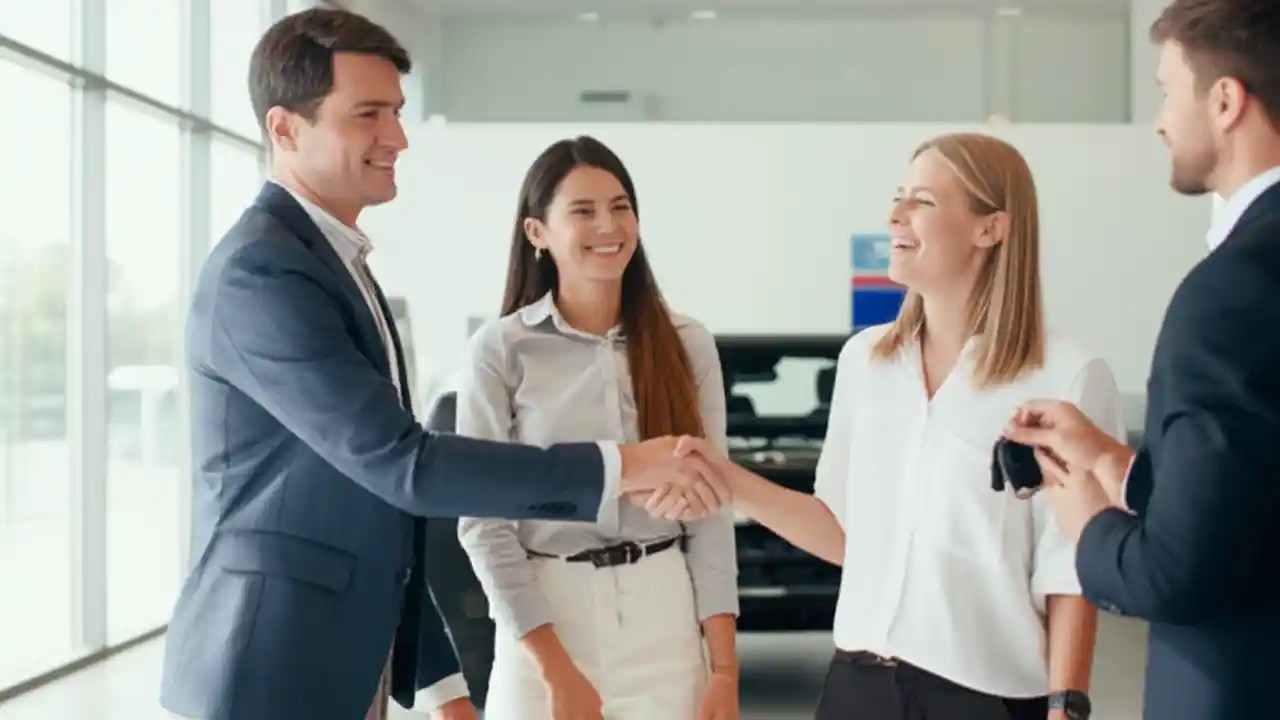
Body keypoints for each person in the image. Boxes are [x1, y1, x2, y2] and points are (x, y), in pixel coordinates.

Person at [159, 10, 726, 720]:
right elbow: (408, 467)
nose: (396, 137)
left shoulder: (338, 264)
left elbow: (373, 503)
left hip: (335, 664)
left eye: (396, 113)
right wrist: (626, 466)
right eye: (368, 114)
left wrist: (440, 686)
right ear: (285, 128)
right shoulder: (263, 273)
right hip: (267, 671)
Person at [679, 133, 1119, 720]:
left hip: (985, 697)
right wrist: (726, 480)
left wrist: (1068, 706)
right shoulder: (866, 362)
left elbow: (1070, 567)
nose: (895, 214)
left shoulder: (1066, 373)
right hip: (857, 687)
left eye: (923, 201)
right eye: (897, 197)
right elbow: (843, 534)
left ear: (990, 228)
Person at [1003, 1, 1280, 718]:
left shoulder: (1233, 290)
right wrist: (1118, 464)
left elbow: (1178, 576)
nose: (1158, 121)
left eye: (1166, 90)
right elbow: (1254, 498)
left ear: (1224, 100)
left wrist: (1082, 511)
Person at [455, 136, 740, 720]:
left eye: (620, 207)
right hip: (546, 623)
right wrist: (556, 671)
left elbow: (711, 511)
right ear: (538, 233)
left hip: (665, 616)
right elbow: (483, 523)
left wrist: (726, 670)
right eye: (582, 211)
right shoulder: (500, 350)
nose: (608, 225)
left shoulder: (687, 344)